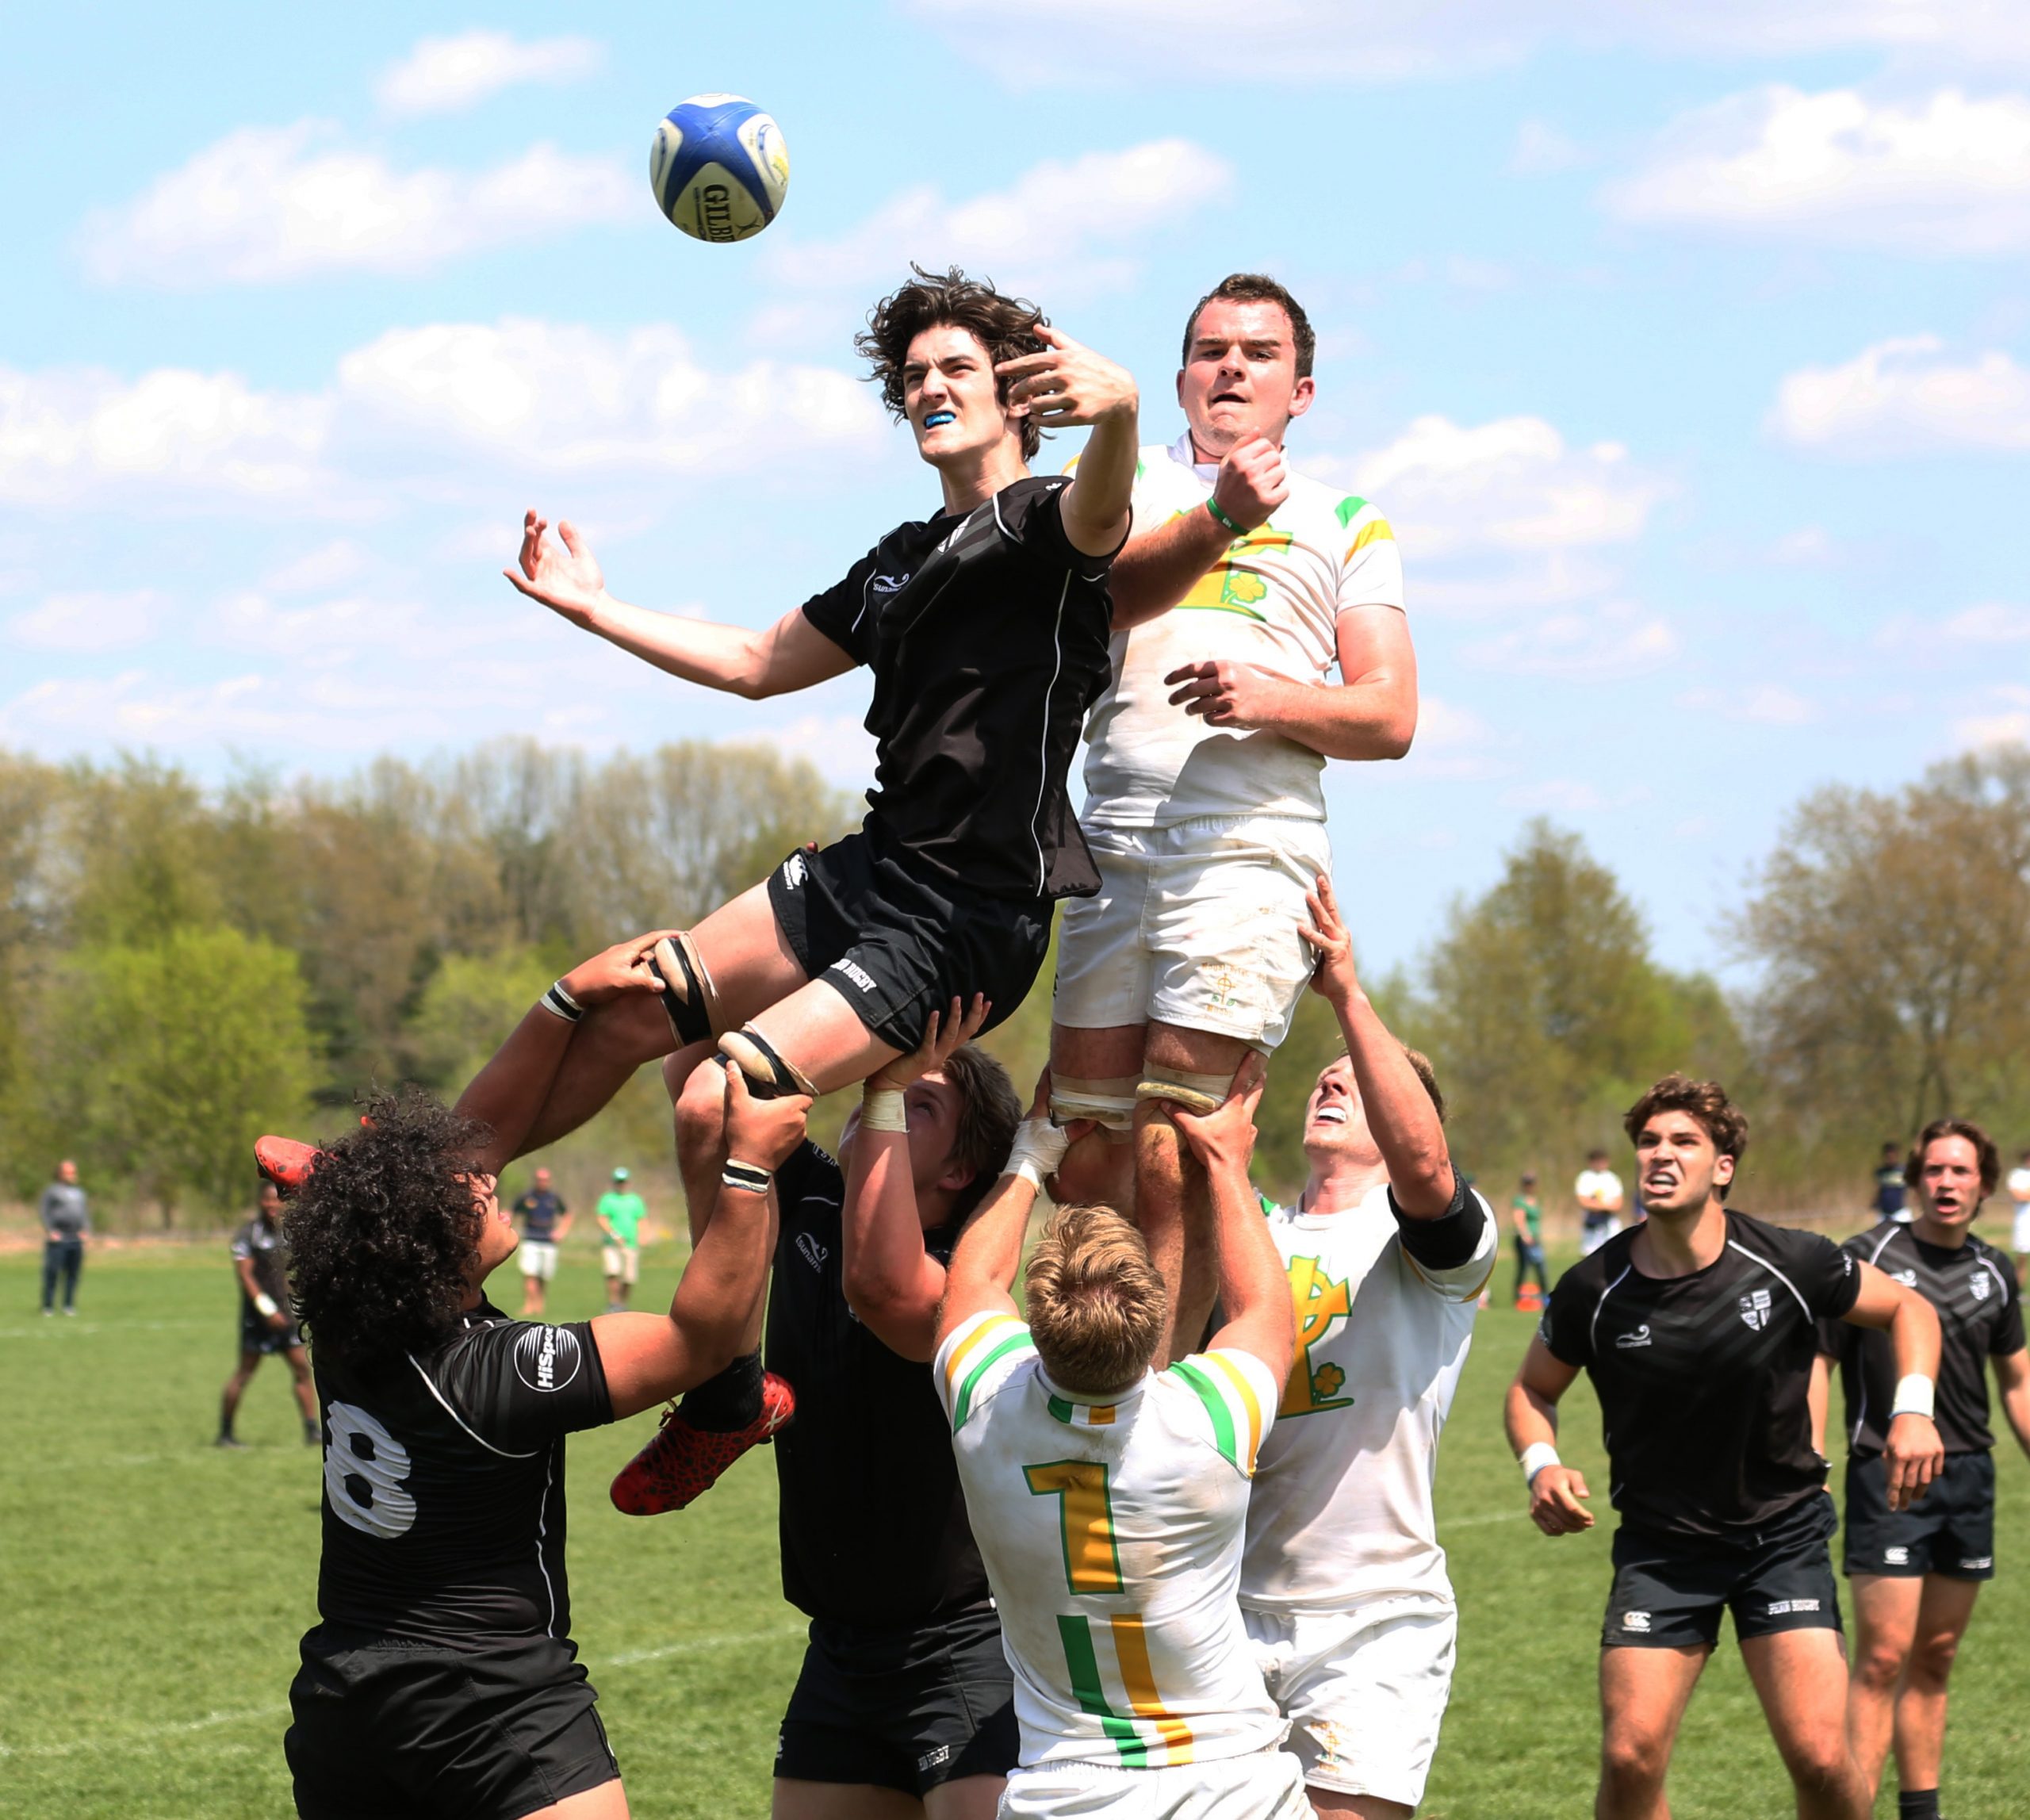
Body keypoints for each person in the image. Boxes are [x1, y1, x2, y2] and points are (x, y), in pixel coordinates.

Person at [500, 266, 1143, 1153]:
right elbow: (756, 662)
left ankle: (797, 1287)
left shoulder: (1049, 526)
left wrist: (1120, 414)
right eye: (915, 377)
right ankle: (429, 1195)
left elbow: (1103, 503)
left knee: (728, 1096)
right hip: (878, 867)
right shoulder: (901, 558)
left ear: (1017, 394)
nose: (930, 389)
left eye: (956, 368)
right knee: (629, 1017)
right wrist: (596, 610)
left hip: (969, 915)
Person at [270, 935, 810, 1820]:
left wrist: (563, 999)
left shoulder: (349, 1320)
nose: (482, 1183)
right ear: (431, 1254)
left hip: (342, 1699)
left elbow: (481, 1133)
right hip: (486, 1702)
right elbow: (701, 1332)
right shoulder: (495, 1376)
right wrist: (748, 1170)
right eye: (461, 1197)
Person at [1048, 271, 1415, 1360]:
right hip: (1109, 839)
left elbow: (1390, 714)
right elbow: (1083, 607)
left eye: (1258, 353)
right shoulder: (1121, 490)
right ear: (1178, 380)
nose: (1232, 368)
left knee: (1180, 1139)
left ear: (1301, 390)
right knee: (1089, 1145)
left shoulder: (1347, 520)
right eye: (1212, 350)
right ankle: (1090, 1374)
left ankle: (1157, 1402)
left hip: (1246, 849)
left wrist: (1273, 698)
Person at [1507, 1075, 1946, 1820]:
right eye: (1648, 1141)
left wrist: (1913, 1410)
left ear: (1723, 1165)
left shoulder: (1790, 1261)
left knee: (1822, 1758)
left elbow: (1909, 1308)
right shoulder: (1594, 1288)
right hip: (1662, 1547)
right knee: (1629, 1756)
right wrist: (1540, 1464)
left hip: (1781, 1534)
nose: (1660, 1155)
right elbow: (1530, 1391)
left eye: (1684, 1141)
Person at [641, 999, 1025, 1818]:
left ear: (957, 1171)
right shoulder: (812, 1196)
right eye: (878, 1091)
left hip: (961, 1650)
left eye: (915, 1105)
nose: (877, 1100)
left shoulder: (960, 1281)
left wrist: (885, 1080)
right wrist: (828, 969)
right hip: (840, 1651)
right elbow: (701, 1093)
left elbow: (880, 1283)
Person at [931, 1058, 1308, 1819]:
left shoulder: (985, 1409)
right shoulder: (1208, 1420)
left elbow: (971, 1284)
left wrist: (1031, 1156)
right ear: (1151, 1319)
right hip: (1233, 1785)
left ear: (1036, 1323)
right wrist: (1229, 1162)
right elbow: (1267, 1310)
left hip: (1065, 1792)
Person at [1240, 876, 1496, 1818]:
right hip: (1224, 1605)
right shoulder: (1254, 1233)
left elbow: (1426, 1168)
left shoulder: (1437, 1251)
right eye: (1325, 1074)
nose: (1332, 1077)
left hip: (1374, 1618)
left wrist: (1347, 996)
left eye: (1360, 1076)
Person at [1813, 1120, 2030, 1820]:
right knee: (1880, 1660)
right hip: (1889, 1476)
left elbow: (2019, 1383)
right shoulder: (1868, 1257)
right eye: (1934, 1169)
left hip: (1969, 1479)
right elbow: (1818, 1362)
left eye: (1962, 1172)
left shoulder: (1995, 1269)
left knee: (1935, 1654)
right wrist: (1813, 1460)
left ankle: (1922, 1811)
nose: (1946, 1183)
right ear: (1915, 1179)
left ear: (1986, 1186)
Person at [219, 1179, 318, 1448]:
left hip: (287, 1316)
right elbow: (246, 1277)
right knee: (245, 1372)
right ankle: (225, 1434)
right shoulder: (248, 1234)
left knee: (301, 1369)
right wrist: (266, 1309)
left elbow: (291, 1274)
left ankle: (312, 1431)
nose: (272, 1205)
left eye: (277, 1200)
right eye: (267, 1200)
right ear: (259, 1202)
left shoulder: (291, 1233)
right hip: (258, 1317)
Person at [511, 1166, 571, 1318]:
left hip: (549, 1242)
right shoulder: (527, 1197)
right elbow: (511, 1212)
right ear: (535, 1180)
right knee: (530, 1273)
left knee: (544, 1276)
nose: (542, 1182)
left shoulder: (553, 1198)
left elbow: (567, 1215)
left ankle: (540, 1305)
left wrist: (561, 1232)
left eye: (545, 1180)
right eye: (540, 1179)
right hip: (531, 1239)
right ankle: (529, 1305)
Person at [39, 1158, 90, 1316]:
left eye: (74, 1172)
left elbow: (84, 1214)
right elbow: (44, 1212)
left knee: (73, 1274)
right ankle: (48, 1306)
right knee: (53, 1272)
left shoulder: (79, 1193)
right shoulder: (52, 1191)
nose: (72, 1175)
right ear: (60, 1174)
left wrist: (86, 1230)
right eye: (69, 1172)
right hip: (59, 1238)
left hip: (76, 1238)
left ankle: (68, 1305)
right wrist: (50, 1230)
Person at [596, 1168, 646, 1312]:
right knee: (613, 1273)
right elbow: (602, 1218)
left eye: (623, 1182)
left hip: (631, 1243)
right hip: (612, 1244)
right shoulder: (608, 1199)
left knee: (629, 1278)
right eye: (618, 1182)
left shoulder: (635, 1200)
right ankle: (613, 1303)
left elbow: (641, 1219)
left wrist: (643, 1235)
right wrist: (614, 1234)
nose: (621, 1184)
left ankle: (623, 1304)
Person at [1575, 1148, 1624, 1259]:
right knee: (1589, 1258)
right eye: (1597, 1161)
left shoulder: (1612, 1178)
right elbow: (1584, 1202)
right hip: (1591, 1224)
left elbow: (1618, 1205)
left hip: (1610, 1226)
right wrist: (1606, 1206)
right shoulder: (1585, 1178)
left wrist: (1596, 1204)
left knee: (1614, 1256)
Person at [1511, 1171, 1549, 1308]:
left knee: (1541, 1268)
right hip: (1524, 1241)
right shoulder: (1520, 1200)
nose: (1530, 1186)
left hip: (1535, 1240)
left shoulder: (1535, 1200)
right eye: (1527, 1184)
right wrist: (1525, 1235)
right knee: (1523, 1268)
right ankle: (1518, 1296)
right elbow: (1519, 1219)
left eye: (1532, 1183)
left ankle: (1545, 1296)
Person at [1874, 1141, 1911, 1225]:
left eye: (1892, 1155)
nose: (1890, 1158)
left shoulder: (1903, 1171)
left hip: (1900, 1212)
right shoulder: (1881, 1172)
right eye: (1888, 1156)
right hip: (1884, 1214)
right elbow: (1879, 1189)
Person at [2008, 1146, 2030, 1287]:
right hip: (2023, 1223)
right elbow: (2018, 1195)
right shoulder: (2017, 1175)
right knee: (2021, 1258)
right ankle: (2017, 1289)